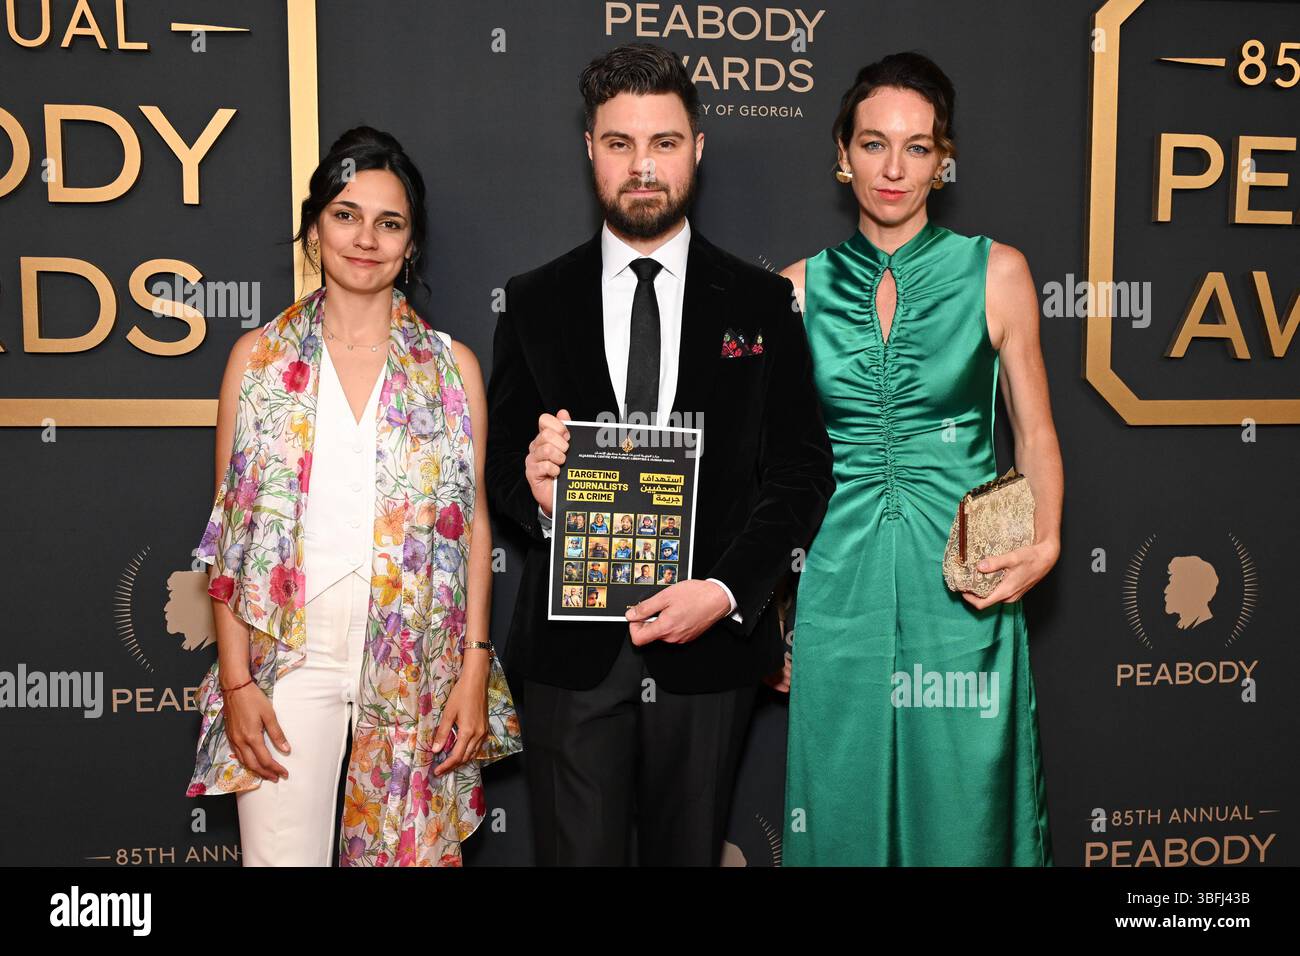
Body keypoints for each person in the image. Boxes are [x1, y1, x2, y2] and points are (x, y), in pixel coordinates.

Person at [486, 42, 834, 866]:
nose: (642, 167)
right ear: (591, 149)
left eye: (664, 143)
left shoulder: (761, 300)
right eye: (620, 143)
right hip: (570, 656)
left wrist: (725, 591)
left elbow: (800, 471)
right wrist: (534, 490)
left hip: (707, 650)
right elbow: (501, 463)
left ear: (698, 149)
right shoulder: (533, 300)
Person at [186, 126, 522, 866]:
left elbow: (473, 529)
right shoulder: (258, 359)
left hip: (415, 661)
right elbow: (228, 532)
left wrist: (473, 667)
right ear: (315, 228)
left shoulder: (451, 367)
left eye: (389, 222)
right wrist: (236, 678)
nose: (366, 237)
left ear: (411, 244)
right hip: (286, 659)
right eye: (346, 214)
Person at [779, 52, 1062, 866]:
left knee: (965, 815)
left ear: (944, 161)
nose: (893, 168)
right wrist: (772, 615)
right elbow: (776, 471)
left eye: (916, 146)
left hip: (965, 582)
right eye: (873, 144)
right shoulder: (796, 290)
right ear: (842, 153)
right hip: (838, 587)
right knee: (840, 810)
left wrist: (1043, 542)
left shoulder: (997, 272)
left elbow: (1036, 433)